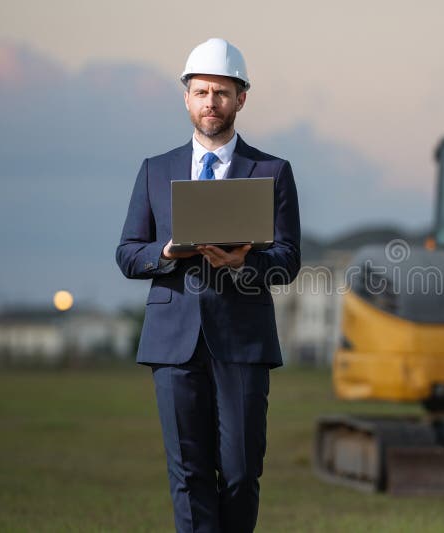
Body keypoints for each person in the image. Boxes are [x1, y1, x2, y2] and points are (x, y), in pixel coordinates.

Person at [116, 37, 301, 533]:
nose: (210, 102)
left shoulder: (273, 172)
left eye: (221, 92)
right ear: (186, 98)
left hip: (242, 340)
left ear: (241, 97)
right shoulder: (156, 171)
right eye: (201, 92)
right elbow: (128, 253)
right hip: (173, 342)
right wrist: (166, 252)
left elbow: (287, 260)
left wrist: (243, 263)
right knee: (189, 475)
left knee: (241, 473)